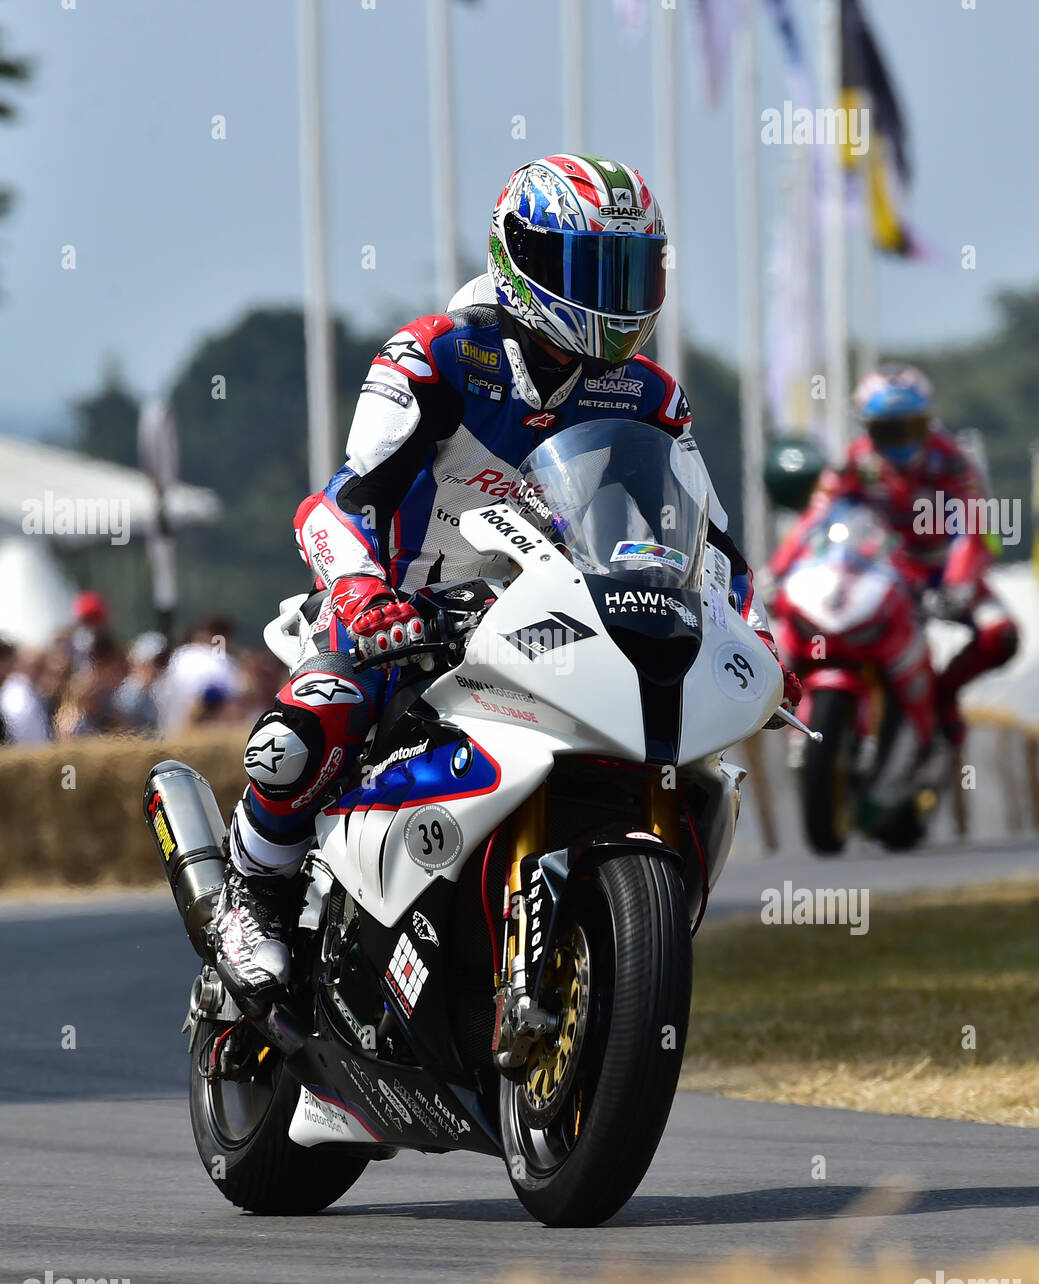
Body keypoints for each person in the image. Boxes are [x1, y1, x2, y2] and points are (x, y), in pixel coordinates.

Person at [212, 154, 802, 1015]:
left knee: (688, 763)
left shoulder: (647, 395)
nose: (615, 293)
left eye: (632, 270)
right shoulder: (436, 357)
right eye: (592, 268)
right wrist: (360, 593)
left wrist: (755, 632)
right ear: (520, 254)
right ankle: (251, 895)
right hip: (404, 610)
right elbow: (341, 501)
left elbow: (707, 541)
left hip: (557, 620)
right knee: (316, 719)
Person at [771, 363, 1018, 806]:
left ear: (929, 422)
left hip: (945, 575)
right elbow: (817, 516)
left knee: (1000, 635)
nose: (903, 440)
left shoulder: (953, 461)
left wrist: (959, 584)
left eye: (913, 427)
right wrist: (780, 568)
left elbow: (974, 529)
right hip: (881, 573)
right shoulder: (855, 460)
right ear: (868, 428)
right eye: (890, 429)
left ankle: (941, 704)